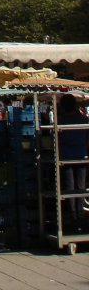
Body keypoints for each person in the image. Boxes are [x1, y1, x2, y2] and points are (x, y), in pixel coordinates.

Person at [56, 94, 89, 225]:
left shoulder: (61, 120)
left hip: (65, 156)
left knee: (69, 184)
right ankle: (80, 212)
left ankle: (72, 214)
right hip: (81, 155)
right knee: (80, 185)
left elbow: (57, 139)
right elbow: (87, 138)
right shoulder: (83, 119)